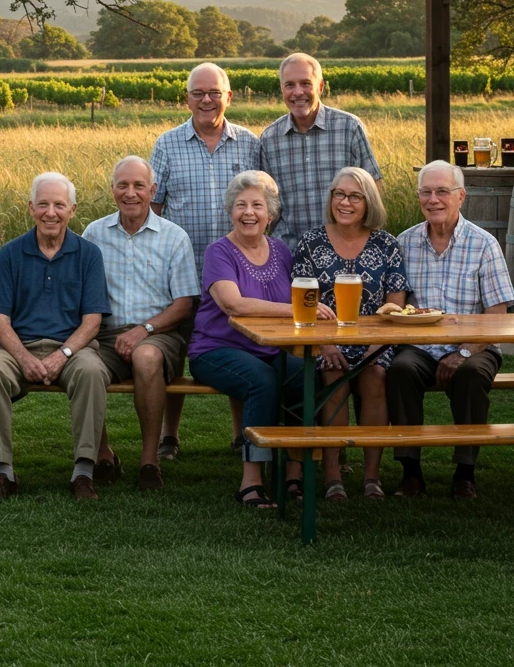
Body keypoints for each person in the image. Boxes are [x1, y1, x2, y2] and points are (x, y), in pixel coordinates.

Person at [187, 171, 335, 508]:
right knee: (262, 381)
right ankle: (251, 480)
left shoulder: (282, 251)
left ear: (270, 214)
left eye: (257, 205)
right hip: (215, 350)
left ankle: (294, 474)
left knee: (304, 374)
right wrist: (297, 310)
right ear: (231, 212)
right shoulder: (218, 252)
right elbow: (233, 303)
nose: (249, 212)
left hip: (270, 350)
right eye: (241, 205)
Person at [0, 173, 112, 501]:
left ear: (73, 210)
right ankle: (2, 471)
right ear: (31, 208)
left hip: (73, 349)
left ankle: (83, 471)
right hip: (18, 347)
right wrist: (23, 357)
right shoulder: (10, 253)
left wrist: (61, 355)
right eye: (43, 204)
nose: (51, 212)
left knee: (93, 372)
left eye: (59, 205)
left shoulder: (88, 254)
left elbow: (92, 321)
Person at [388, 160, 514, 501]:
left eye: (442, 191)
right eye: (425, 192)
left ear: (461, 196)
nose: (433, 200)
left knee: (471, 375)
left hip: (475, 344)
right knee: (399, 370)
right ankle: (410, 473)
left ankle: (464, 472)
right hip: (420, 345)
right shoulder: (405, 242)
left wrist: (463, 352)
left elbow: (498, 317)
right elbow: (398, 306)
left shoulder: (484, 244)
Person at [150, 62, 260, 459]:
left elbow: (259, 205)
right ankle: (169, 436)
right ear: (187, 98)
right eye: (198, 93)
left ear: (228, 97)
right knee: (175, 354)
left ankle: (239, 433)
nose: (206, 100)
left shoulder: (250, 143)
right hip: (184, 274)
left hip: (237, 276)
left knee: (241, 351)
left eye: (215, 92)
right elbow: (155, 209)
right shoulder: (167, 144)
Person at [290, 166, 407, 501]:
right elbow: (302, 298)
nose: (345, 202)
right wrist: (324, 342)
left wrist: (376, 344)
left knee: (374, 376)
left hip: (375, 339)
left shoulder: (387, 244)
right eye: (339, 194)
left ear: (368, 202)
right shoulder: (312, 242)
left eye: (355, 196)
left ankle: (372, 476)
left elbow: (395, 303)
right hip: (324, 339)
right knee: (333, 375)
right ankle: (332, 474)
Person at [82, 156, 198, 491]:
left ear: (153, 190)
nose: (130, 193)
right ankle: (103, 454)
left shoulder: (174, 237)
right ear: (112, 189)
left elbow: (183, 304)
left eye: (138, 185)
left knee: (146, 357)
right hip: (105, 335)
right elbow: (84, 295)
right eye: (123, 185)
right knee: (82, 363)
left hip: (159, 333)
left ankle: (150, 460)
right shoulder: (93, 233)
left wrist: (144, 329)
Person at [258, 52, 382, 251]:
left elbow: (374, 189)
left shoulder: (348, 127)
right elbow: (265, 202)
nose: (298, 92)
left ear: (321, 86)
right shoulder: (269, 138)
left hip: (344, 252)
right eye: (290, 85)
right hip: (290, 253)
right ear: (282, 89)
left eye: (306, 83)